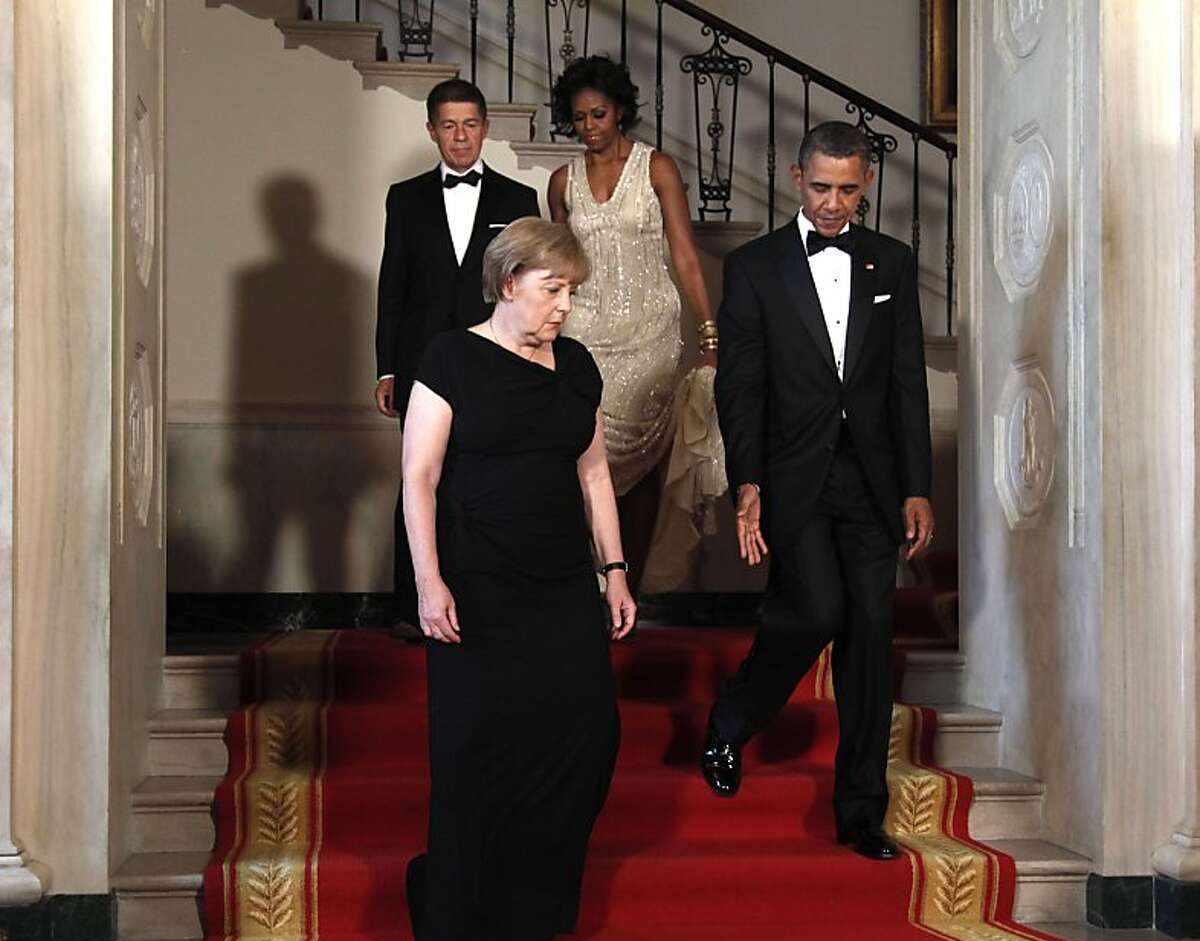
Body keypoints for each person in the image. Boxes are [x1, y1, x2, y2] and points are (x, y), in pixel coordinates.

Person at [402, 218, 636, 941]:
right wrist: (429, 581)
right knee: (480, 752)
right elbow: (419, 477)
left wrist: (616, 569)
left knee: (589, 739)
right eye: (552, 289)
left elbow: (593, 473)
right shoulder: (451, 357)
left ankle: (533, 897)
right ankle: (463, 911)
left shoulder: (576, 367)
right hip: (479, 583)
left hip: (563, 582)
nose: (565, 305)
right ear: (508, 284)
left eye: (572, 291)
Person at [701, 121, 935, 862]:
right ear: (797, 178)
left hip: (870, 479)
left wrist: (916, 487)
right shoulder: (754, 266)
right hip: (793, 472)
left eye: (848, 189)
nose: (834, 204)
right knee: (816, 609)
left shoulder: (892, 263)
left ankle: (862, 811)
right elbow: (740, 388)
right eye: (822, 187)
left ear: (865, 186)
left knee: (869, 637)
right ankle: (734, 716)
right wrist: (748, 484)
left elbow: (906, 384)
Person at [547, 56, 720, 595]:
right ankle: (586, 590)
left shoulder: (657, 167)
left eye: (599, 114)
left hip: (651, 336)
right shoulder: (561, 182)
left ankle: (631, 590)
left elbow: (686, 256)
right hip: (582, 337)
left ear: (620, 110)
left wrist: (709, 334)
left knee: (642, 465)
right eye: (579, 118)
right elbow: (559, 269)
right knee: (578, 460)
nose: (590, 126)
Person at [375, 79, 541, 633]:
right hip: (421, 364)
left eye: (470, 124)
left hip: (493, 359)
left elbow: (529, 289)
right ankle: (409, 605)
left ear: (486, 128)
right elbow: (391, 287)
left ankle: (491, 599)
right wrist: (387, 367)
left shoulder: (519, 201)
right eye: (449, 125)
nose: (461, 136)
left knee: (493, 478)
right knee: (419, 478)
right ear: (432, 131)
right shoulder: (405, 197)